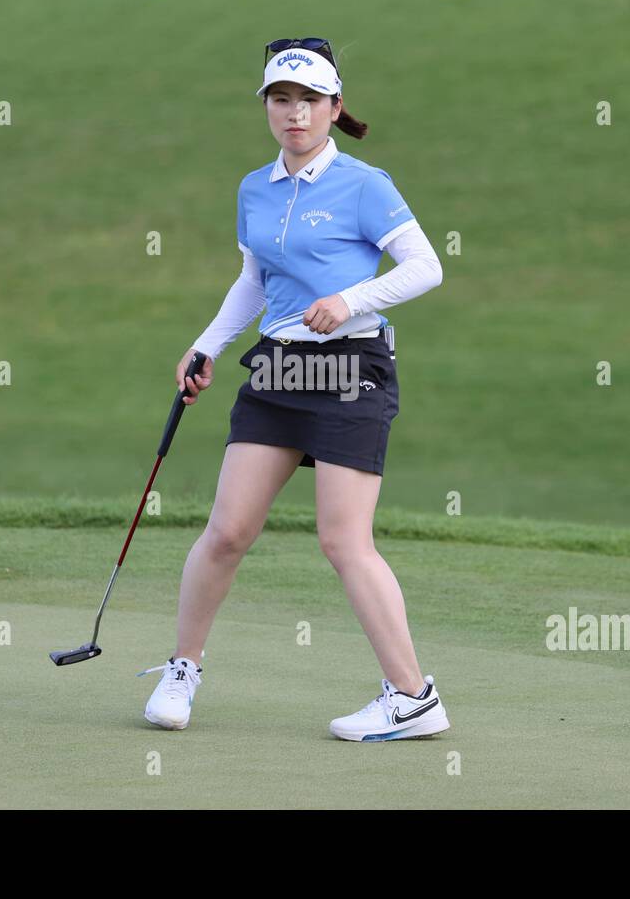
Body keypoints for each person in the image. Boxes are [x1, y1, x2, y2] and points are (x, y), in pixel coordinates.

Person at [141, 37, 448, 741]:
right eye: (282, 100)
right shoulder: (255, 187)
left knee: (344, 542)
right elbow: (255, 280)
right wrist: (207, 344)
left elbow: (425, 267)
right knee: (227, 531)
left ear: (335, 108)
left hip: (350, 370)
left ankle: (413, 698)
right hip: (279, 369)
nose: (295, 114)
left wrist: (349, 299)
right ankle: (182, 670)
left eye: (309, 101)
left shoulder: (366, 184)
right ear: (268, 109)